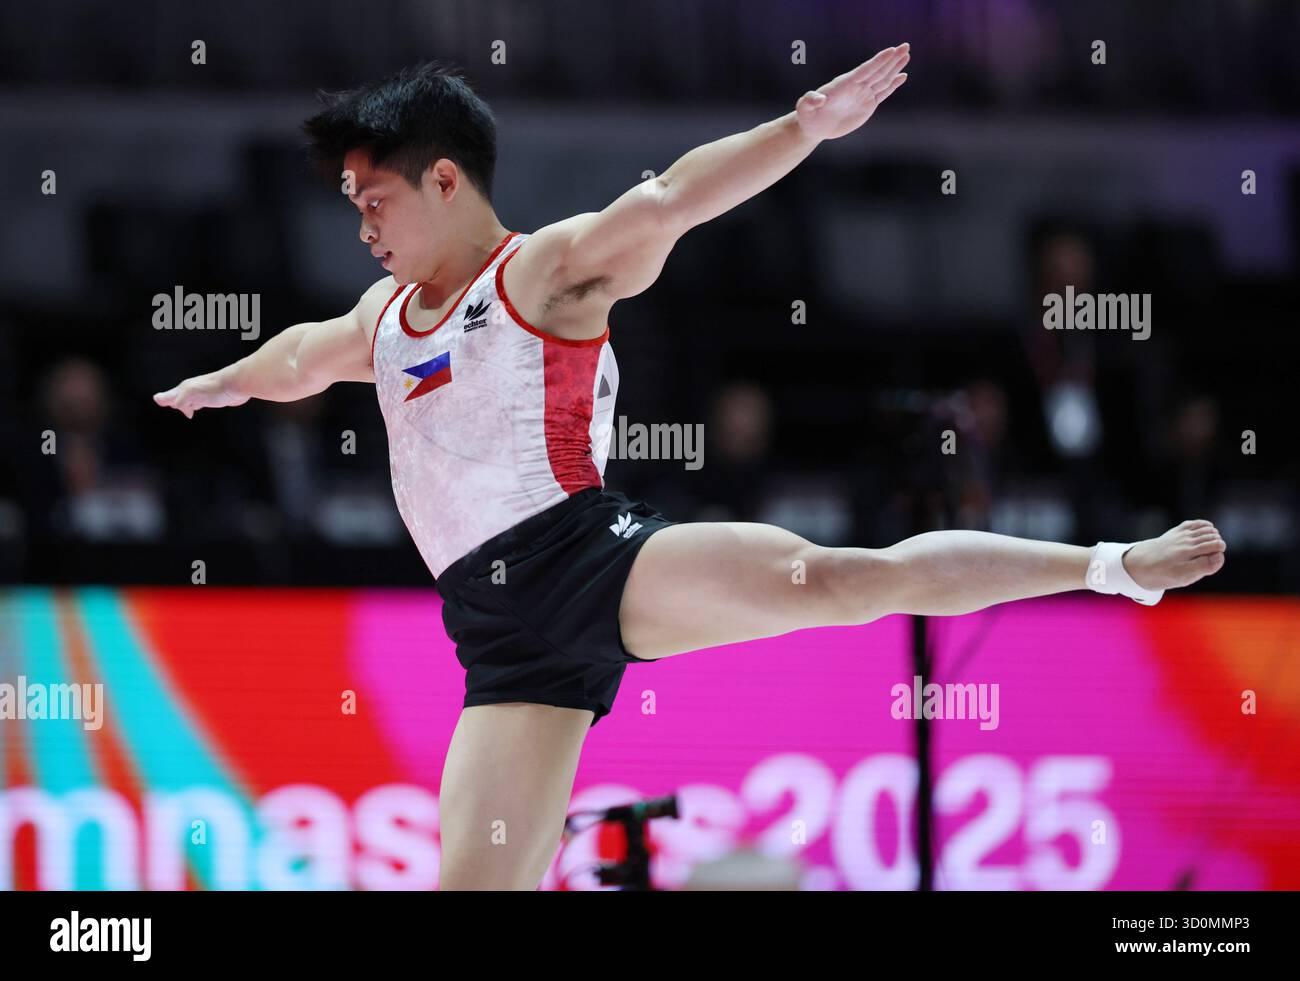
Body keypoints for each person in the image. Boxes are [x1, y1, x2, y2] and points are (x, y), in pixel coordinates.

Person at [153, 47, 1226, 890]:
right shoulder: (382, 317)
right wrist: (222, 382)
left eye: (373, 200)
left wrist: (802, 128)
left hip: (592, 563)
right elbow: (302, 356)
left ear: (443, 180)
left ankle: (1109, 566)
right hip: (499, 643)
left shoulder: (546, 270)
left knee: (841, 580)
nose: (362, 227)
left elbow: (669, 200)